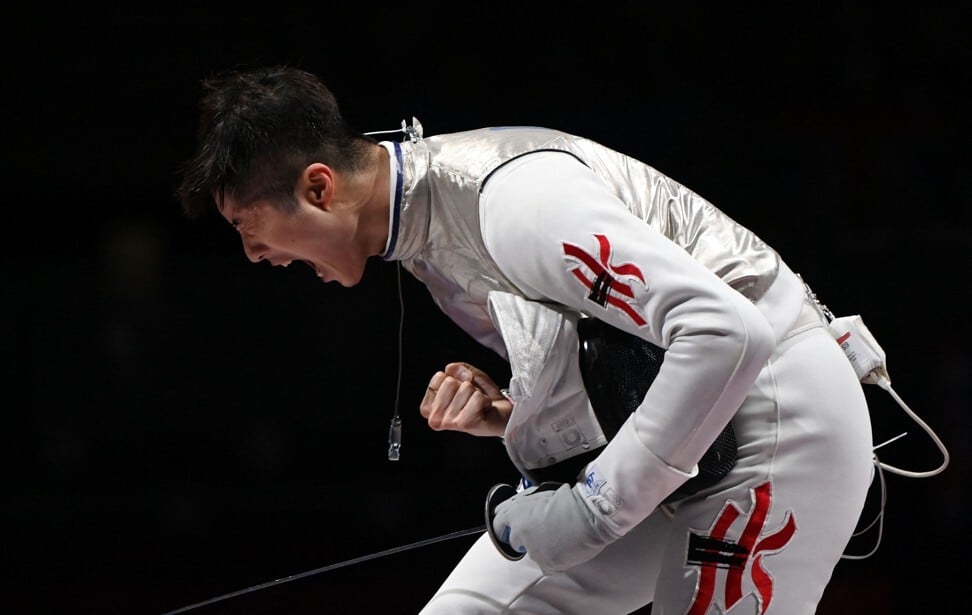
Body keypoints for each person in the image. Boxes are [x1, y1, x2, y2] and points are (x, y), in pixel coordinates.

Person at [176, 65, 876, 614]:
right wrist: (519, 415)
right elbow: (625, 357)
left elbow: (726, 332)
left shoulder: (509, 200)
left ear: (320, 187)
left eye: (249, 227)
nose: (253, 256)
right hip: (692, 438)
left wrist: (593, 506)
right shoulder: (424, 234)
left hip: (777, 418)